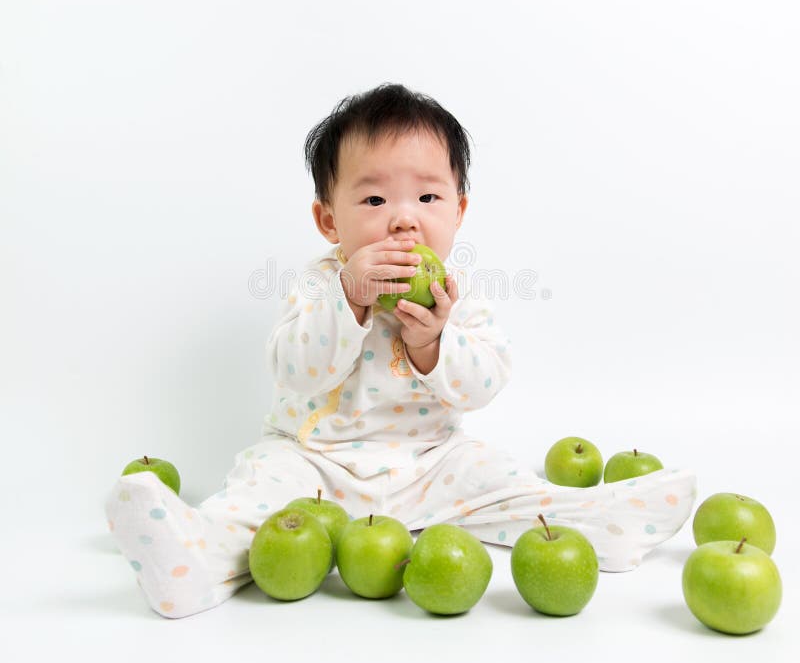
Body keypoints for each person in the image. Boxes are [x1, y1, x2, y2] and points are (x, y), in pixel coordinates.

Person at [105, 83, 696, 618]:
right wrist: (349, 301)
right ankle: (192, 558)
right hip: (315, 460)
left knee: (498, 477)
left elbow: (485, 383)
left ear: (459, 212)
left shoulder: (455, 296)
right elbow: (294, 370)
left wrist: (434, 341)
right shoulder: (319, 285)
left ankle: (603, 522)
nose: (403, 221)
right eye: (374, 202)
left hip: (430, 462)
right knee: (258, 488)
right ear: (328, 220)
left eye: (428, 198)